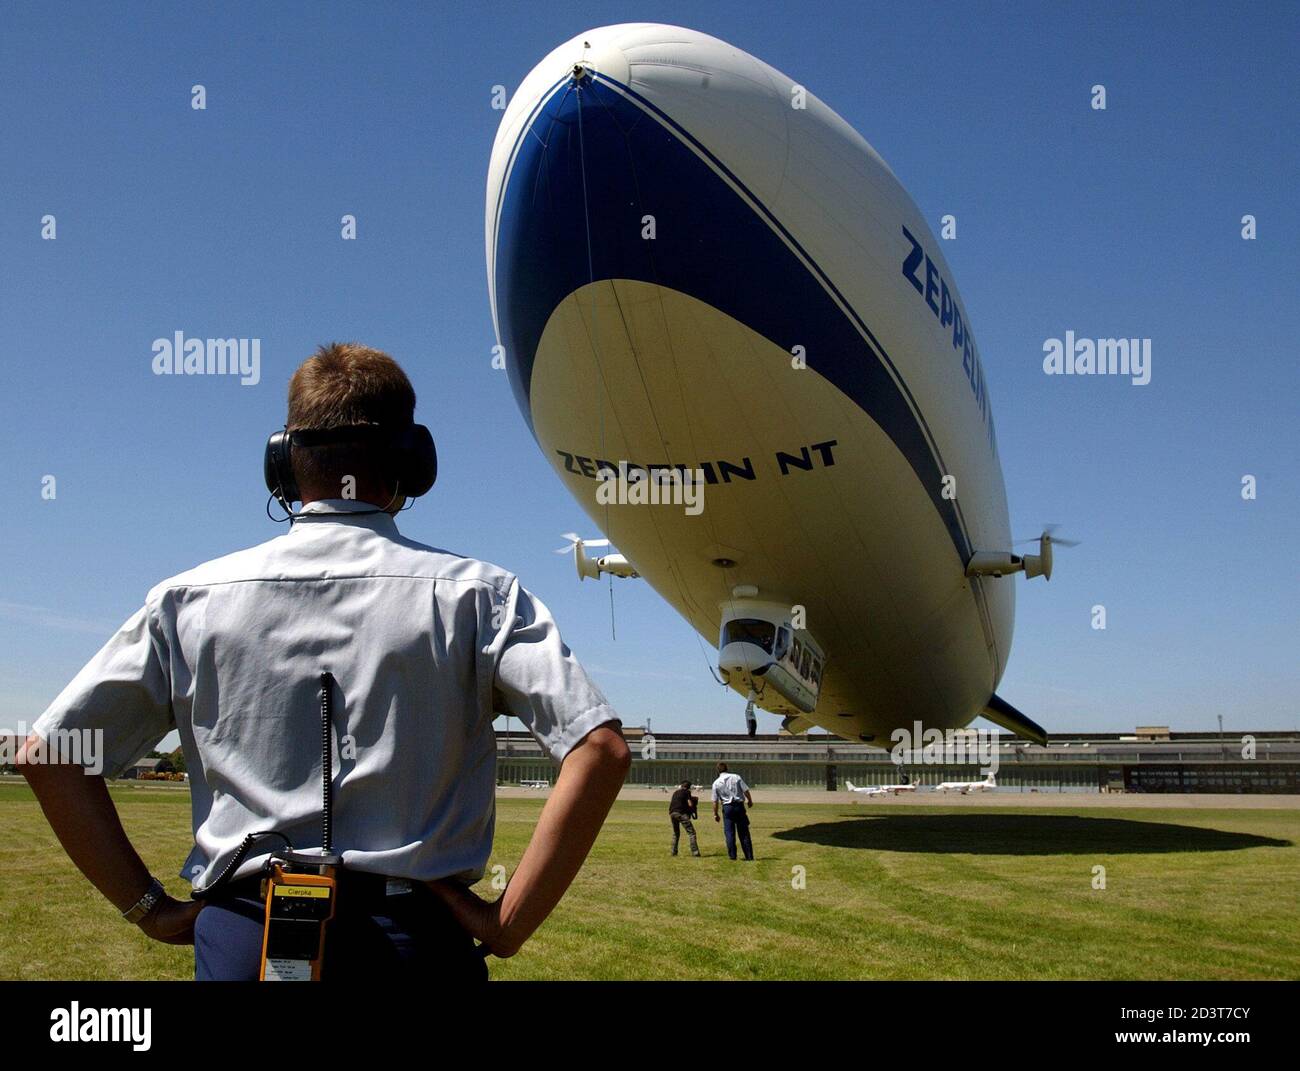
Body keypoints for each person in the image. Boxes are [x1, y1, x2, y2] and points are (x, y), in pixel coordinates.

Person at [17, 342, 631, 981]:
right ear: (413, 460)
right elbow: (599, 749)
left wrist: (149, 909)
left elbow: (51, 755)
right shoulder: (481, 597)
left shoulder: (186, 601)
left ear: (281, 462)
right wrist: (506, 923)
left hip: (247, 932)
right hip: (414, 940)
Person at [711, 762, 754, 861]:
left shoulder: (716, 783)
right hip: (739, 806)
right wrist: (750, 801)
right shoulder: (736, 777)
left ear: (717, 771)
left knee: (729, 833)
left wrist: (715, 814)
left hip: (727, 807)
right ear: (727, 768)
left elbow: (715, 801)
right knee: (744, 832)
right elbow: (746, 790)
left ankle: (732, 856)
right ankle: (749, 856)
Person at [668, 780, 700, 857]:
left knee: (676, 833)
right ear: (688, 787)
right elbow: (689, 803)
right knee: (691, 833)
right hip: (681, 813)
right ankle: (695, 852)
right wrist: (693, 809)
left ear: (682, 785)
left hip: (672, 813)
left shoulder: (676, 792)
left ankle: (673, 852)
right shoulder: (687, 792)